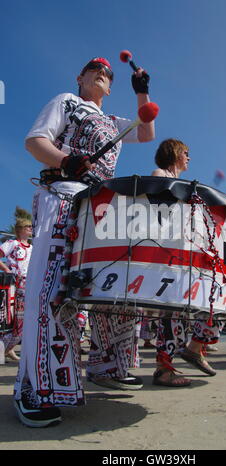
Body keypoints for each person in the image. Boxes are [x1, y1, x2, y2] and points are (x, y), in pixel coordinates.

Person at [14, 56, 155, 427]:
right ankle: (33, 388)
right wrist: (65, 161)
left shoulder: (113, 122)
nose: (103, 73)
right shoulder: (66, 102)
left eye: (108, 73)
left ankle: (103, 368)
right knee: (51, 292)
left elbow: (146, 132)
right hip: (63, 195)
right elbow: (35, 141)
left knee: (98, 296)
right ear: (80, 77)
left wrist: (142, 93)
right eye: (95, 69)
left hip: (100, 210)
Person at [151, 139, 219, 387]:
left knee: (206, 304)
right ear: (175, 153)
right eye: (186, 153)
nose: (189, 157)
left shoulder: (184, 182)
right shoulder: (160, 174)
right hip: (168, 251)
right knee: (170, 312)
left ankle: (193, 349)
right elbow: (160, 211)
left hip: (187, 250)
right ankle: (163, 368)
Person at [0, 218, 32, 361]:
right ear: (20, 229)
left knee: (23, 322)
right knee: (10, 320)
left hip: (28, 286)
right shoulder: (12, 244)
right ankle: (5, 350)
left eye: (31, 227)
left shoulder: (32, 248)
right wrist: (7, 269)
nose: (31, 229)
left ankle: (9, 349)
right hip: (13, 286)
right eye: (28, 227)